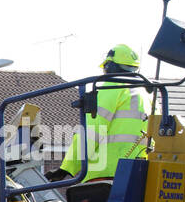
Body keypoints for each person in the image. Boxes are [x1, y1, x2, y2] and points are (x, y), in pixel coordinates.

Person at [57, 44, 151, 183]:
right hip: (139, 174)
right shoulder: (148, 97)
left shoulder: (112, 88)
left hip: (105, 174)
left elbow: (91, 131)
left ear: (110, 66)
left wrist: (67, 168)